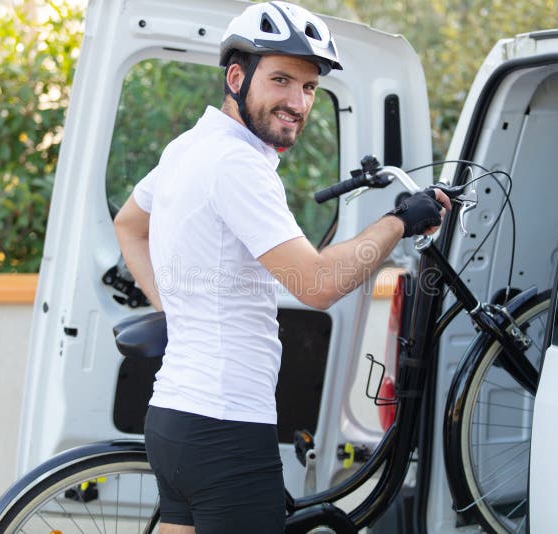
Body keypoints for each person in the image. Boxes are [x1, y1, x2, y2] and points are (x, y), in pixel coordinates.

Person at [114, 2, 450, 532]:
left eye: (310, 88)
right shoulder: (237, 163)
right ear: (236, 76)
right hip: (226, 426)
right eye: (282, 80)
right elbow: (316, 285)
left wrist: (178, 309)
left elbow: (129, 224)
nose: (298, 102)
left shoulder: (188, 148)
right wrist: (398, 223)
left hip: (175, 419)